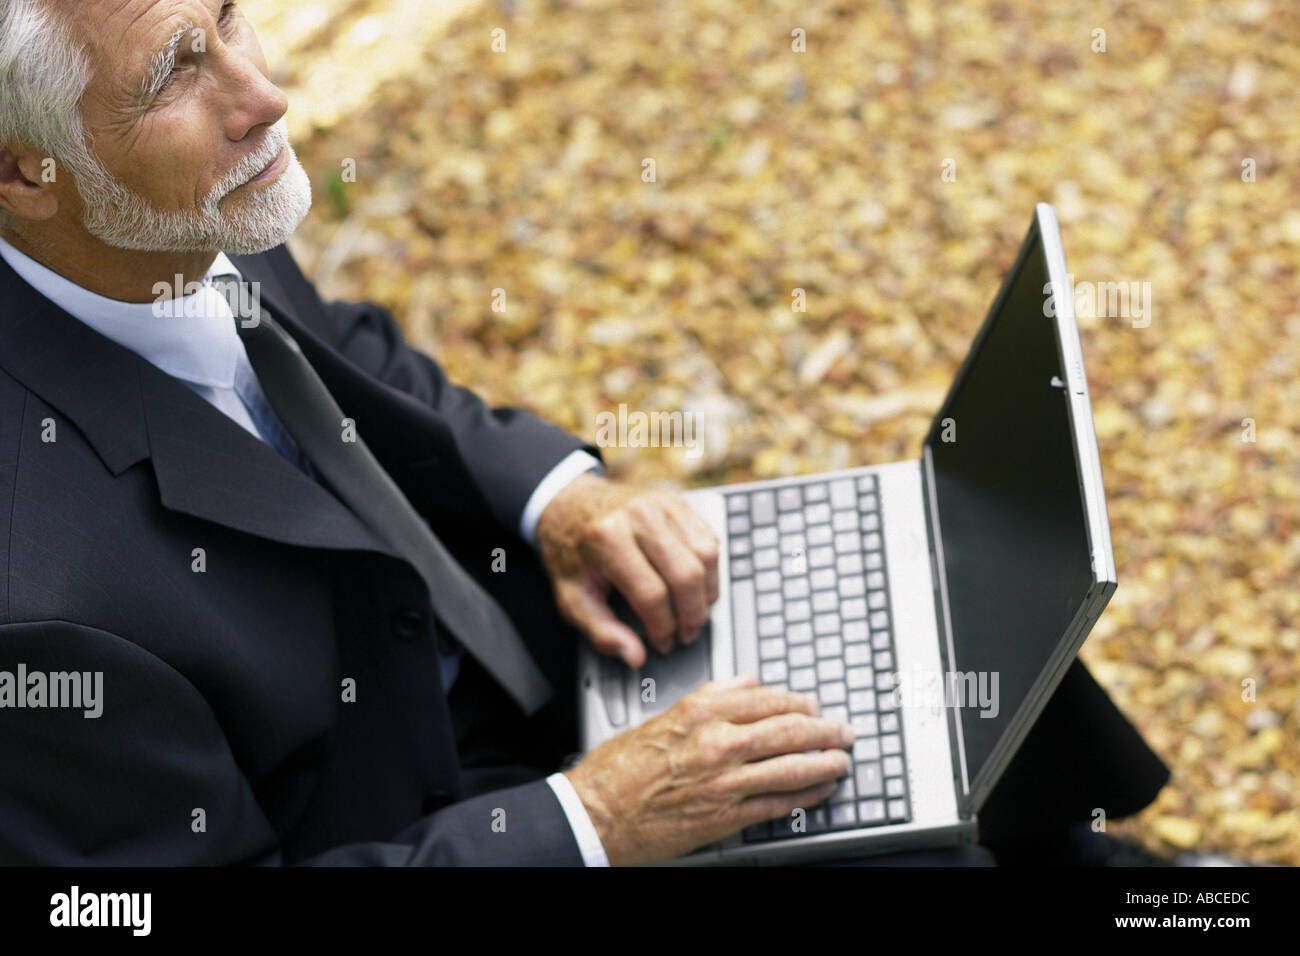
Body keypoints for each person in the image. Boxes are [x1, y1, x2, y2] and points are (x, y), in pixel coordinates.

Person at [0, 0, 1168, 866]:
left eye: (228, 16)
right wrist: (590, 822)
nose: (264, 96)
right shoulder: (36, 610)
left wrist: (557, 499)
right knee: (886, 832)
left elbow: (349, 353)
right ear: (25, 171)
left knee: (929, 596)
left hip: (521, 639)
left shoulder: (182, 200)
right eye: (174, 73)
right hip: (439, 821)